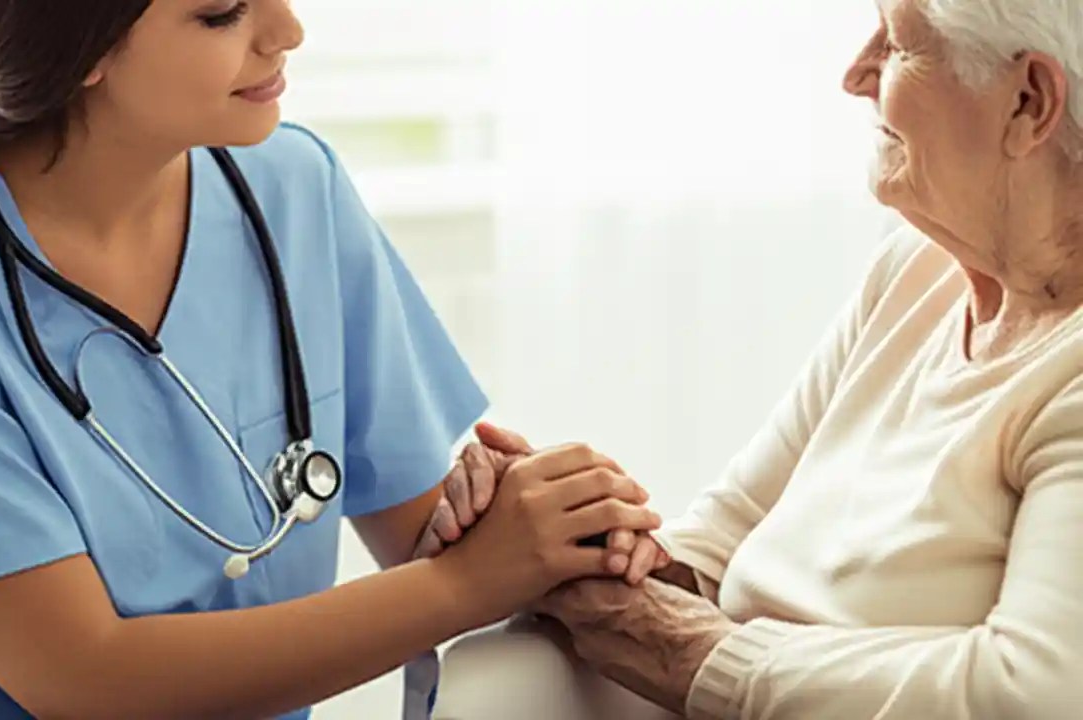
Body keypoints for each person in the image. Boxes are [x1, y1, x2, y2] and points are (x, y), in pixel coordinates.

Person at [0, 1, 669, 718]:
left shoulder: (293, 186)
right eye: (222, 13)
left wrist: (553, 523)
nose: (288, 29)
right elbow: (83, 679)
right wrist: (467, 585)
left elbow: (424, 533)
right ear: (82, 45)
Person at [421, 0, 1083, 718]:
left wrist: (685, 652)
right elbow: (726, 543)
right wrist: (574, 534)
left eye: (896, 46)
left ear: (1029, 102)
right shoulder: (916, 274)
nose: (856, 75)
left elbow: (1032, 694)